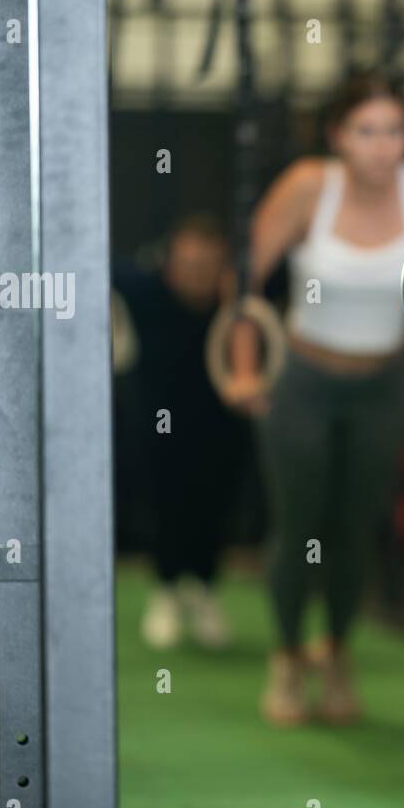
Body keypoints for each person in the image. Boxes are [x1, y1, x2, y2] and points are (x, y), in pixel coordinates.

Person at [220, 74, 404, 727]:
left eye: (394, 130)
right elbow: (245, 271)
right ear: (338, 136)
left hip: (382, 382)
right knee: (298, 523)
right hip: (302, 381)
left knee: (357, 529)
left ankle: (335, 650)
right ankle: (287, 656)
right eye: (365, 131)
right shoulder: (311, 185)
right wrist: (245, 365)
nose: (381, 147)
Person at [116, 214, 242, 651]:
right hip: (155, 426)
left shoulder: (236, 301)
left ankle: (203, 589)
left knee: (213, 506)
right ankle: (166, 590)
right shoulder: (145, 291)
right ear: (168, 262)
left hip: (220, 427)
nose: (197, 273)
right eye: (188, 263)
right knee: (162, 504)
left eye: (208, 264)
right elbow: (98, 264)